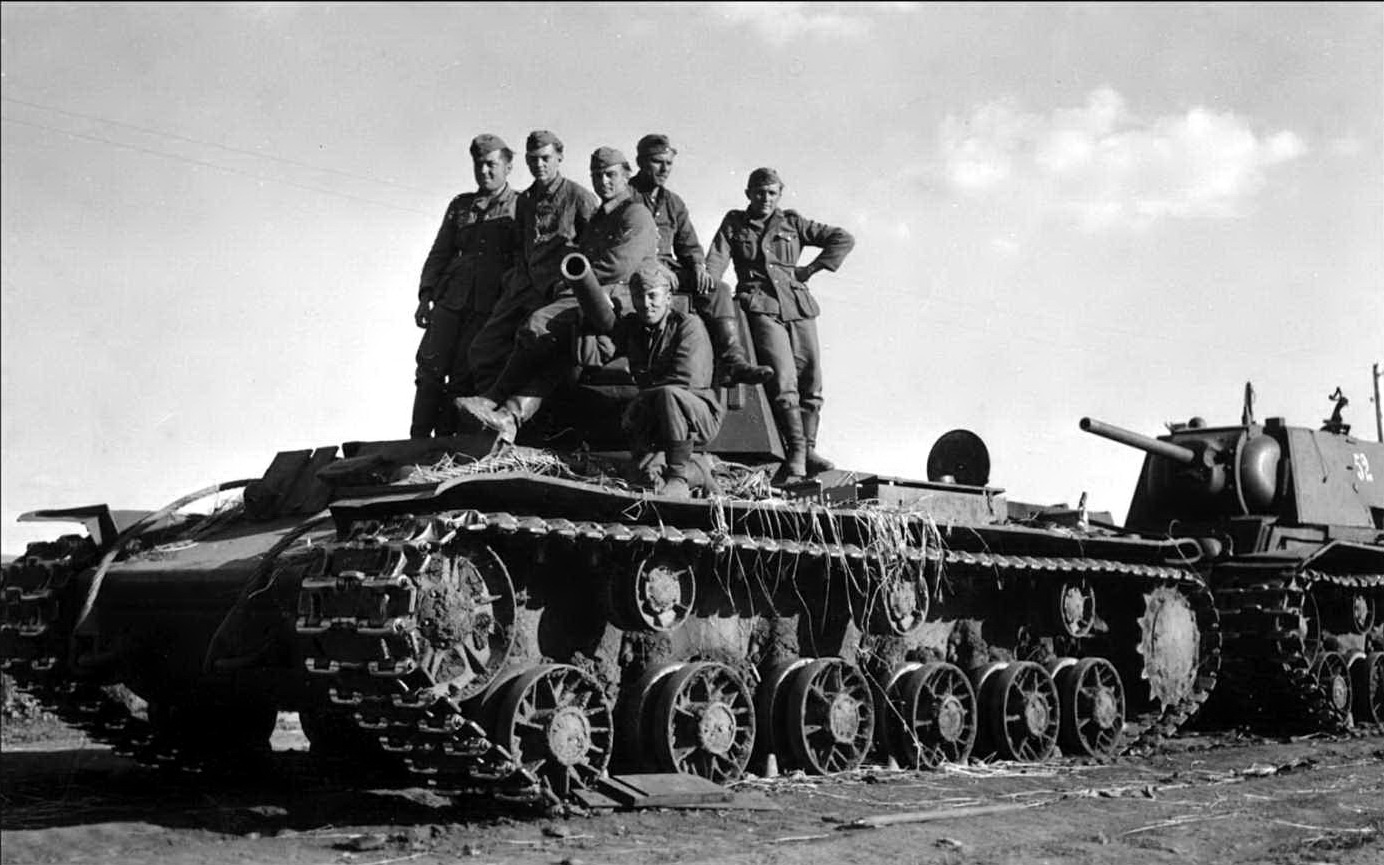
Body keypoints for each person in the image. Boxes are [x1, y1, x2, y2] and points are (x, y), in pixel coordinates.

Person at [454, 146, 658, 442]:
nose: (603, 181)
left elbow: (618, 266)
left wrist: (568, 284)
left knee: (538, 325)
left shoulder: (635, 214)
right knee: (561, 351)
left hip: (621, 304)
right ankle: (508, 415)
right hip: (592, 301)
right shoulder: (601, 217)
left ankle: (495, 399)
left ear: (626, 175)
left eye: (611, 175)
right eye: (597, 175)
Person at [704, 167, 855, 484]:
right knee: (784, 379)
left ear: (780, 194)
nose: (766, 198)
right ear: (748, 194)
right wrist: (709, 290)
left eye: (772, 193)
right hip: (761, 306)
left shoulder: (793, 223)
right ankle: (796, 453)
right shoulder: (734, 223)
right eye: (760, 192)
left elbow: (842, 238)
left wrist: (810, 269)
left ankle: (809, 449)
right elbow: (715, 262)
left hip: (797, 306)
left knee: (811, 380)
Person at [571, 258, 723, 498]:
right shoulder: (634, 328)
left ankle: (679, 477)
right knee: (643, 475)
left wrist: (640, 400)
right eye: (638, 297)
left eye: (653, 296)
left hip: (695, 415)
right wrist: (587, 317)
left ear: (668, 298)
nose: (645, 304)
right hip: (656, 418)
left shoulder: (688, 326)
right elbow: (592, 357)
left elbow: (684, 383)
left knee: (669, 394)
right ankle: (696, 470)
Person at [629, 134, 771, 387]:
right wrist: (654, 266)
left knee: (718, 289)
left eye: (669, 163)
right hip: (636, 270)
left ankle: (733, 360)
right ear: (641, 162)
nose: (664, 169)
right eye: (657, 162)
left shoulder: (672, 202)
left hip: (670, 271)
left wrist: (697, 265)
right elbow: (623, 247)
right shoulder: (626, 197)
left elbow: (688, 244)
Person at [466, 130, 599, 396]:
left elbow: (594, 251)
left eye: (545, 158)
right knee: (483, 347)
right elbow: (521, 246)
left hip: (560, 291)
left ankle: (508, 406)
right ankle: (486, 407)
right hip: (525, 287)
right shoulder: (525, 200)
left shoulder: (579, 197)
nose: (539, 165)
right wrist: (515, 282)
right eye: (533, 159)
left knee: (537, 339)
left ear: (559, 157)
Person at [409, 133, 518, 438]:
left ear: (508, 167)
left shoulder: (520, 206)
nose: (484, 171)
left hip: (490, 305)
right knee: (429, 369)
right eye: (478, 164)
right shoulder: (461, 205)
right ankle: (417, 440)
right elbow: (440, 252)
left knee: (464, 375)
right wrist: (425, 296)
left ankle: (448, 442)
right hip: (451, 300)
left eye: (491, 164)